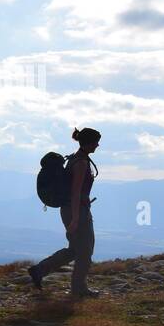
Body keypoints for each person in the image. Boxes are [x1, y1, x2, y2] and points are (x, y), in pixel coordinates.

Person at [30, 127, 101, 298]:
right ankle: (79, 289)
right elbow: (75, 192)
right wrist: (76, 219)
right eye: (96, 142)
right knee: (85, 251)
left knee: (75, 250)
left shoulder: (75, 159)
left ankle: (39, 270)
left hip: (71, 209)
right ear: (89, 143)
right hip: (77, 210)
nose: (98, 145)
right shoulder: (81, 163)